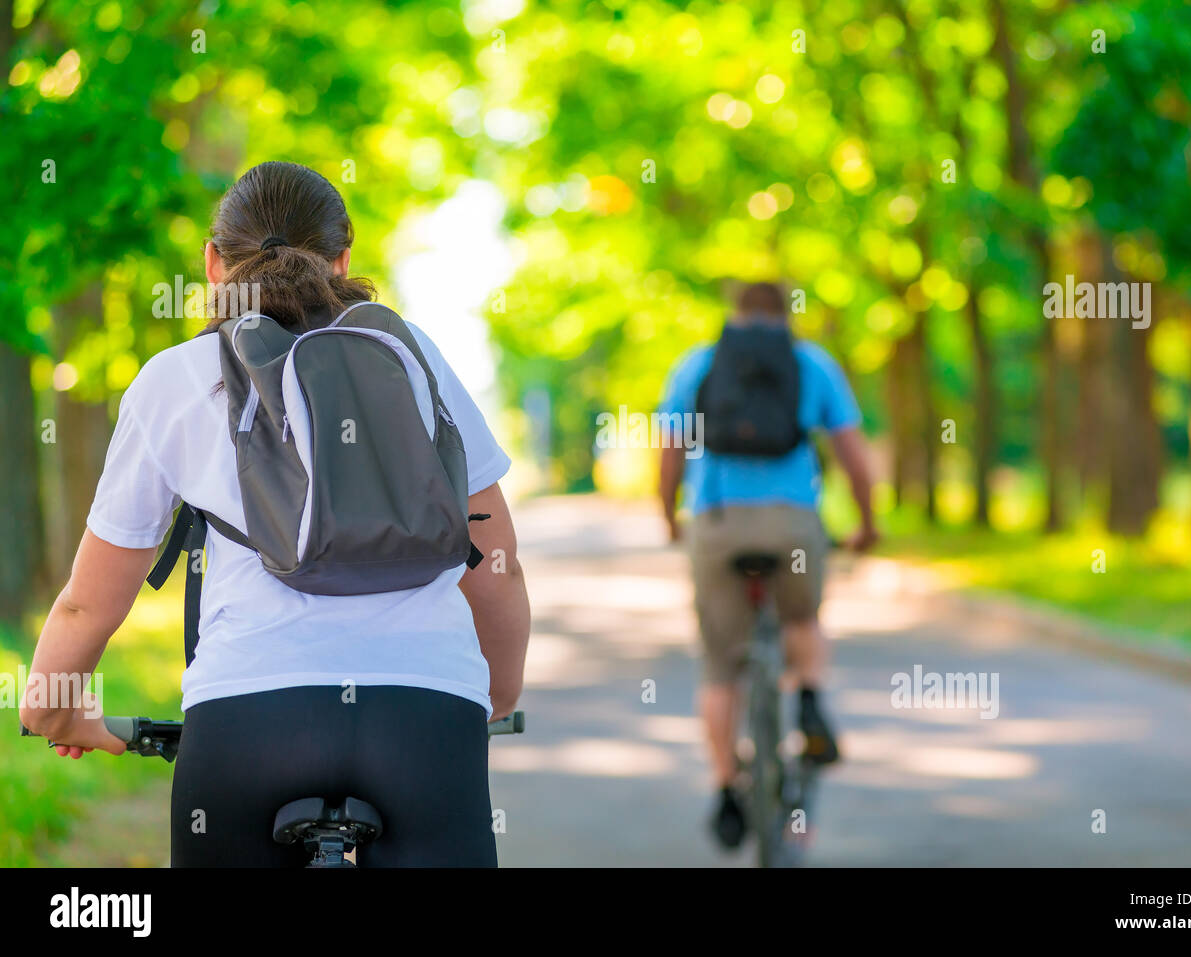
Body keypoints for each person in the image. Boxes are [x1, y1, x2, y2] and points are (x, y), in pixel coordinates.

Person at [19, 161, 530, 867]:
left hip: (246, 719)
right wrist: (493, 696)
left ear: (213, 263)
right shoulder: (414, 361)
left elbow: (86, 606)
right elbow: (496, 568)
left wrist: (51, 705)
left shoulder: (173, 379)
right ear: (344, 258)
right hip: (426, 714)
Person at [657, 281, 877, 850]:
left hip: (719, 521)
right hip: (793, 524)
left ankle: (728, 789)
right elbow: (854, 455)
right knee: (802, 620)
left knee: (720, 667)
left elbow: (670, 452)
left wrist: (669, 518)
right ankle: (808, 699)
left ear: (735, 314)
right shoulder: (813, 364)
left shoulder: (698, 364)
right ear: (786, 316)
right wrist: (868, 522)